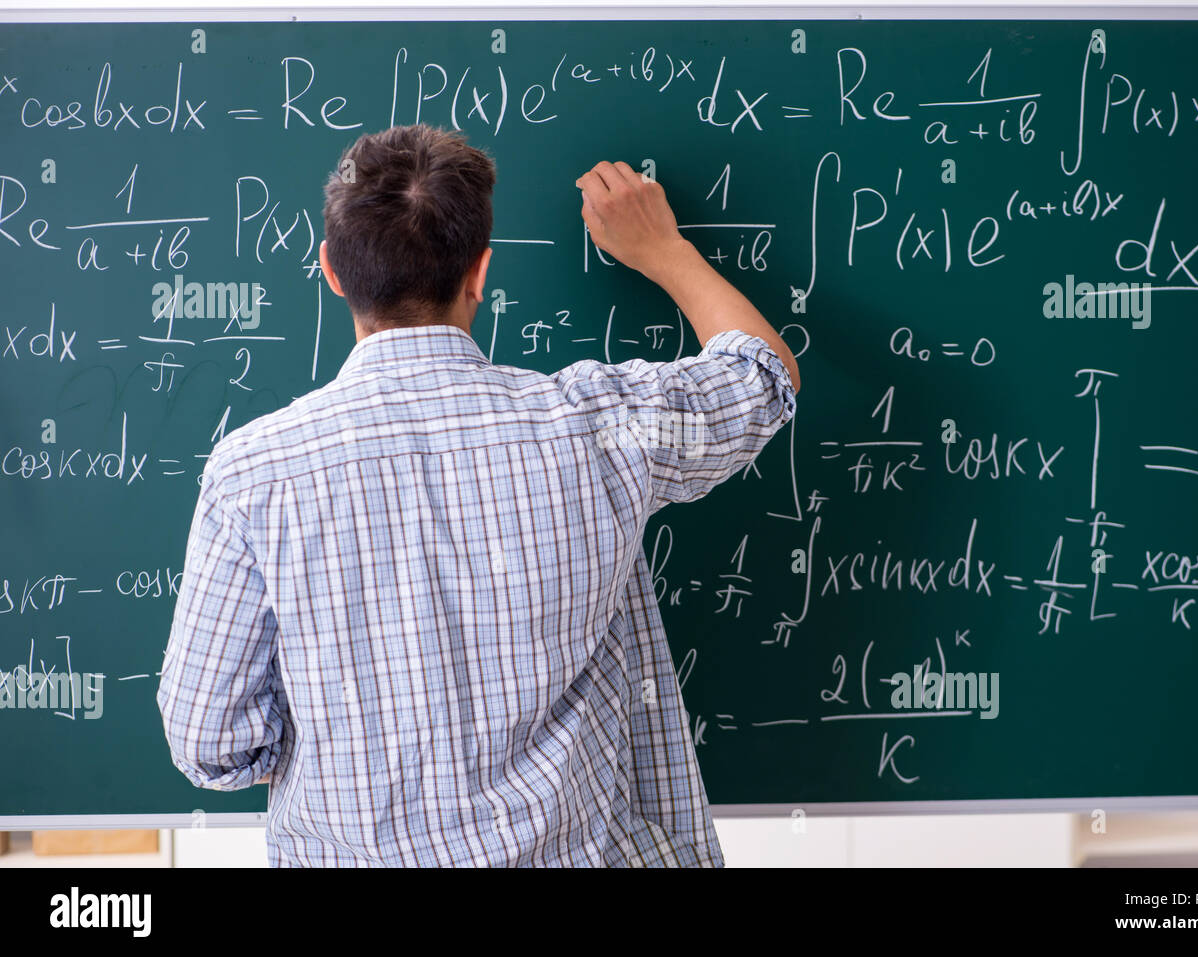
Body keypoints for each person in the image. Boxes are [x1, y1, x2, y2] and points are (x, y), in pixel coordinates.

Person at [156, 124, 799, 867]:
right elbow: (763, 375)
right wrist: (662, 250)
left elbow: (210, 742)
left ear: (331, 271)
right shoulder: (594, 423)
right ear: (480, 272)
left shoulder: (254, 474)